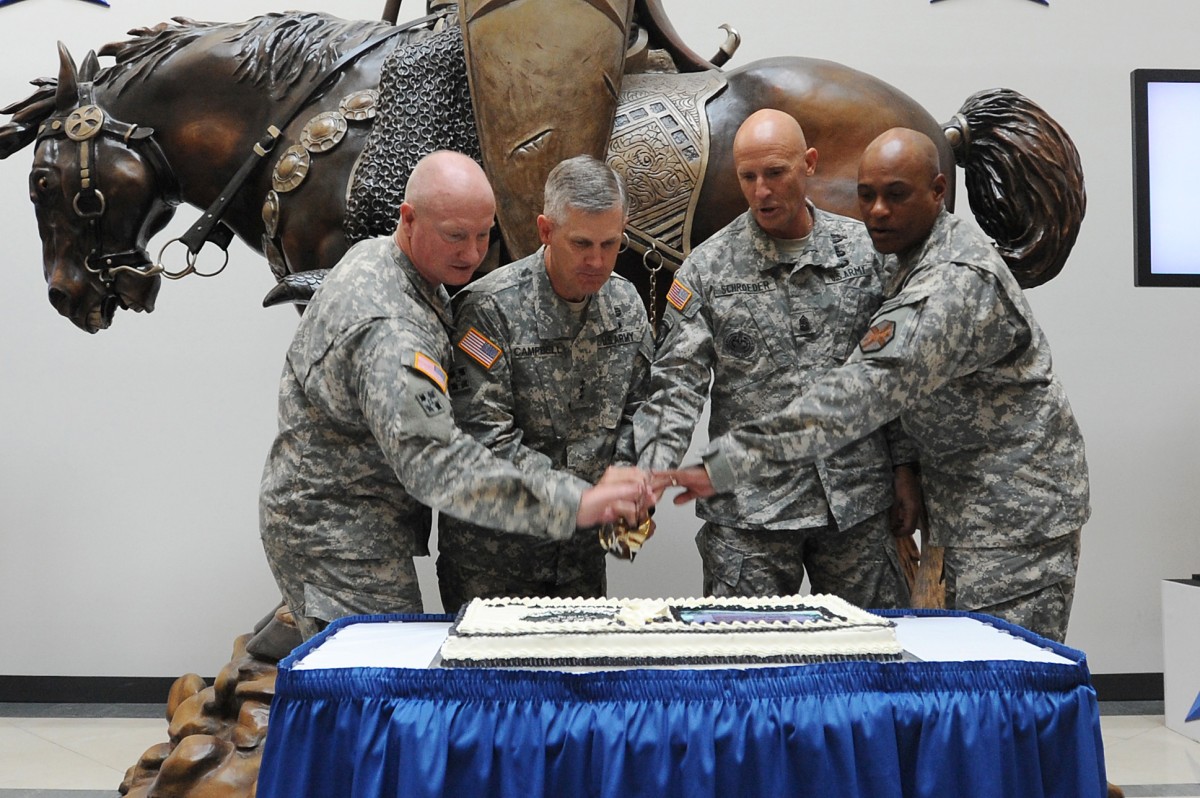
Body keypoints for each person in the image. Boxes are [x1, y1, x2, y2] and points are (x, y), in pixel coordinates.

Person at [661, 127, 1090, 643]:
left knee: (1005, 686)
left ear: (938, 191)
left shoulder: (949, 284)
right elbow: (677, 380)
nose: (878, 212)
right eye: (867, 195)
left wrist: (727, 464)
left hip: (1009, 520)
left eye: (897, 194)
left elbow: (858, 395)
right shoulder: (908, 257)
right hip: (961, 513)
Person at [258, 150, 652, 639]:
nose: (471, 253)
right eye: (454, 235)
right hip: (339, 533)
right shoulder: (392, 330)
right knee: (380, 687)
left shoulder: (398, 265)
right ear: (409, 218)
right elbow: (438, 463)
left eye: (483, 234)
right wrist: (574, 502)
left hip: (366, 525)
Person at [633, 109, 921, 608]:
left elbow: (891, 374)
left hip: (855, 505)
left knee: (870, 664)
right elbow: (677, 385)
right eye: (748, 177)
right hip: (751, 517)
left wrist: (906, 468)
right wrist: (649, 473)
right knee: (743, 671)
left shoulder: (864, 254)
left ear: (808, 164)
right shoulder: (707, 268)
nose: (761, 191)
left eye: (775, 173)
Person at [437, 155, 653, 613]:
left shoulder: (625, 302)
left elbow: (644, 406)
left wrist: (629, 476)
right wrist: (587, 498)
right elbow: (486, 439)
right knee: (494, 686)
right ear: (546, 230)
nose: (597, 261)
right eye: (581, 243)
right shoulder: (489, 309)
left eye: (610, 244)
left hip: (581, 559)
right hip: (495, 561)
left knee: (579, 680)